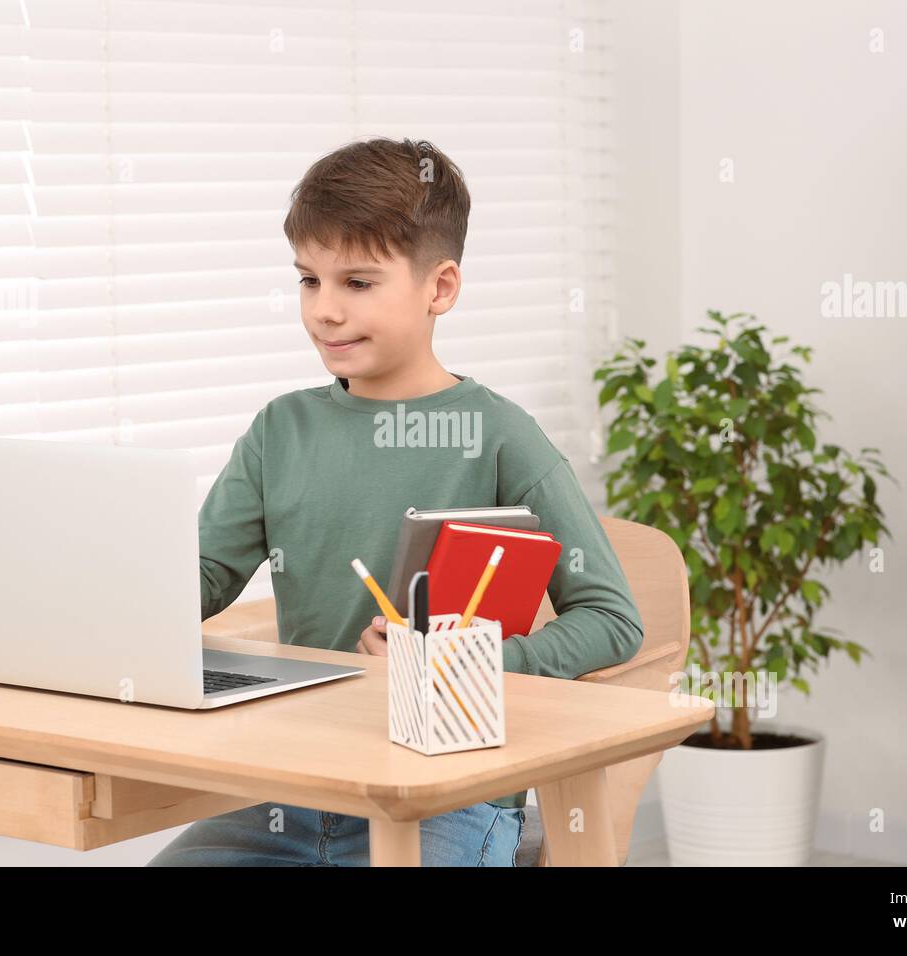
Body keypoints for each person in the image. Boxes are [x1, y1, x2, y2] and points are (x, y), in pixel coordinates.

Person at [147, 137, 643, 867]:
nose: (325, 311)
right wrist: (102, 601)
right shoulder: (281, 430)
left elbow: (612, 620)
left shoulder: (500, 436)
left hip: (451, 794)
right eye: (308, 281)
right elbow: (201, 578)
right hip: (297, 785)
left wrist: (475, 662)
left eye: (357, 282)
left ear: (439, 288)